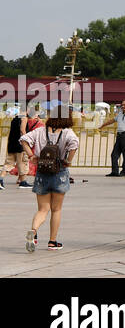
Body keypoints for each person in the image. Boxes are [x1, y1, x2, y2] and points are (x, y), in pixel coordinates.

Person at [20, 105, 79, 252]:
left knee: (42, 209)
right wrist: (68, 161)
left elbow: (24, 139)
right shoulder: (68, 132)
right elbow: (74, 144)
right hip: (60, 172)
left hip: (42, 172)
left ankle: (33, 232)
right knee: (56, 209)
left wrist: (32, 155)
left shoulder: (40, 131)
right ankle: (52, 242)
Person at [107, 100, 125, 177]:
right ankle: (115, 172)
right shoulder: (119, 114)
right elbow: (112, 121)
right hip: (119, 136)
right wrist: (103, 125)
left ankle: (123, 171)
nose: (122, 106)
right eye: (122, 105)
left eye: (124, 105)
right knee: (114, 155)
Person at [4, 107, 31, 189]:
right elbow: (22, 130)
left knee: (9, 163)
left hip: (12, 144)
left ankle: (1, 179)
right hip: (20, 145)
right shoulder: (24, 118)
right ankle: (23, 182)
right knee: (22, 163)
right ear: (27, 110)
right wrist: (27, 140)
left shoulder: (14, 119)